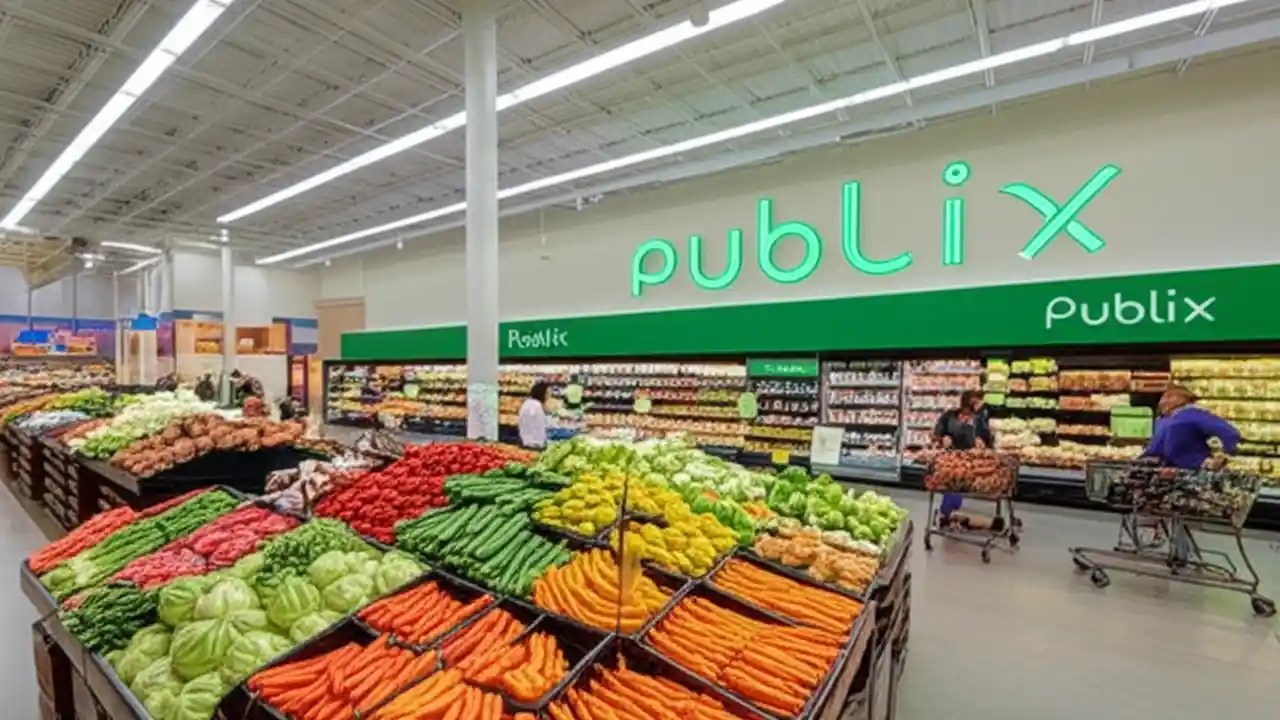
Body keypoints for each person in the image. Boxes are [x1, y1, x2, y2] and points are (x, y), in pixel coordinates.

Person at [932, 390, 994, 526]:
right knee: (952, 483)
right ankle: (948, 514)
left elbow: (988, 439)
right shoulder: (949, 416)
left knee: (958, 486)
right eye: (977, 403)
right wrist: (943, 438)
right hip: (953, 461)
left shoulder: (980, 419)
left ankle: (951, 514)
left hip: (975, 462)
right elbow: (937, 433)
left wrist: (983, 443)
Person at [1143, 385, 1239, 469]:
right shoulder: (1163, 420)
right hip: (1167, 469)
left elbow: (1228, 432)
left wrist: (1226, 454)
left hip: (1194, 467)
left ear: (1178, 399)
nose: (1163, 401)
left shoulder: (1192, 414)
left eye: (1168, 397)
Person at [518, 381, 550, 449]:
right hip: (535, 444)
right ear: (542, 393)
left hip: (524, 441)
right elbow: (541, 427)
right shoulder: (536, 406)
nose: (549, 395)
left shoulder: (527, 403)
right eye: (547, 393)